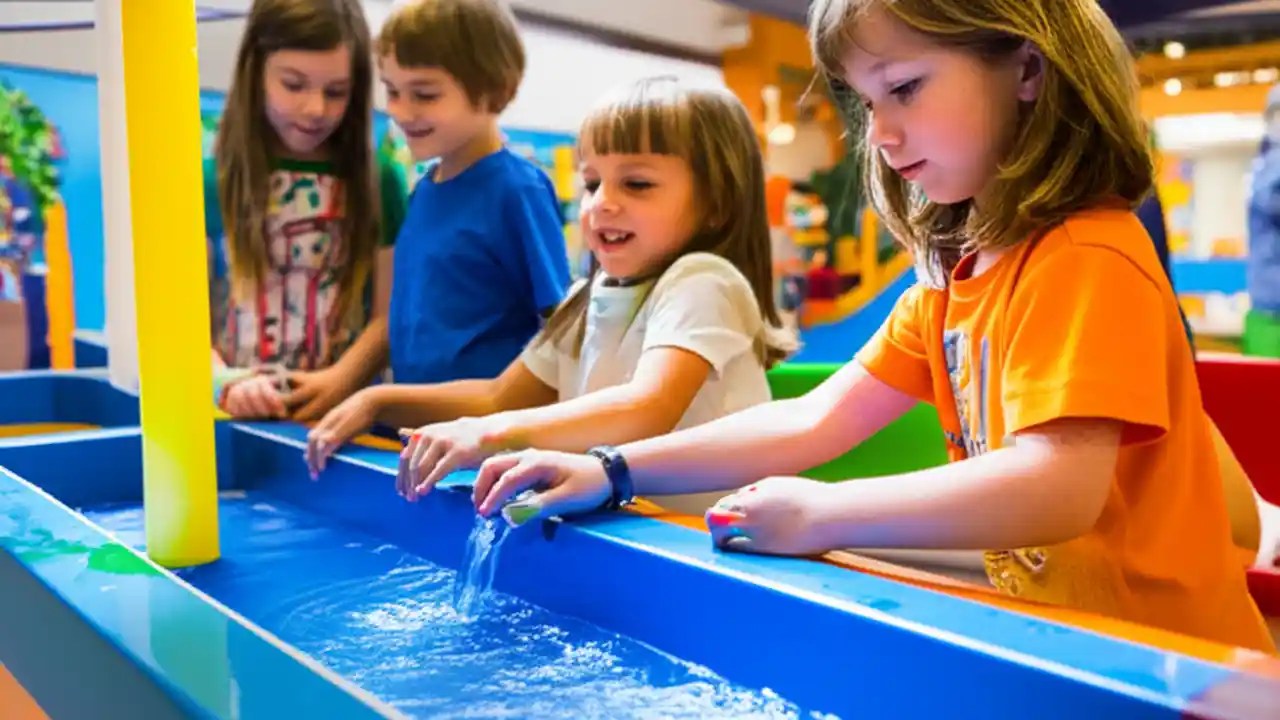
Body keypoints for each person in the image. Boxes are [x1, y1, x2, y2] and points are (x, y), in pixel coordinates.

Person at [470, 0, 1276, 653]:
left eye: (907, 88)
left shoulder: (1086, 253)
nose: (881, 134)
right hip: (1081, 643)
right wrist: (614, 470)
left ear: (1026, 69)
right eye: (867, 101)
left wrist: (830, 511)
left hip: (1173, 664)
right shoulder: (956, 276)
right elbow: (816, 416)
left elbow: (1058, 485)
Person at [310, 75, 795, 515]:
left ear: (717, 204)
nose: (602, 201)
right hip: (637, 534)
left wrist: (489, 436)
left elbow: (647, 406)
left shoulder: (704, 280)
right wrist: (376, 400)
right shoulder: (587, 298)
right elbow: (498, 397)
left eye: (637, 183)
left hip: (713, 549)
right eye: (591, 182)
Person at [304, 0, 572, 464]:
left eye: (425, 94)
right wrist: (342, 383)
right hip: (413, 440)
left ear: (493, 91)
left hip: (482, 446)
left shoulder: (517, 189)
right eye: (392, 91)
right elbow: (402, 317)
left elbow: (562, 334)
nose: (402, 111)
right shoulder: (425, 189)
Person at [206, 0, 408, 421]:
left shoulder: (380, 179)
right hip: (231, 418)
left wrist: (340, 379)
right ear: (255, 72)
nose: (316, 108)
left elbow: (388, 317)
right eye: (294, 85)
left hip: (339, 421)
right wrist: (227, 383)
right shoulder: (211, 177)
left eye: (336, 92)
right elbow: (184, 323)